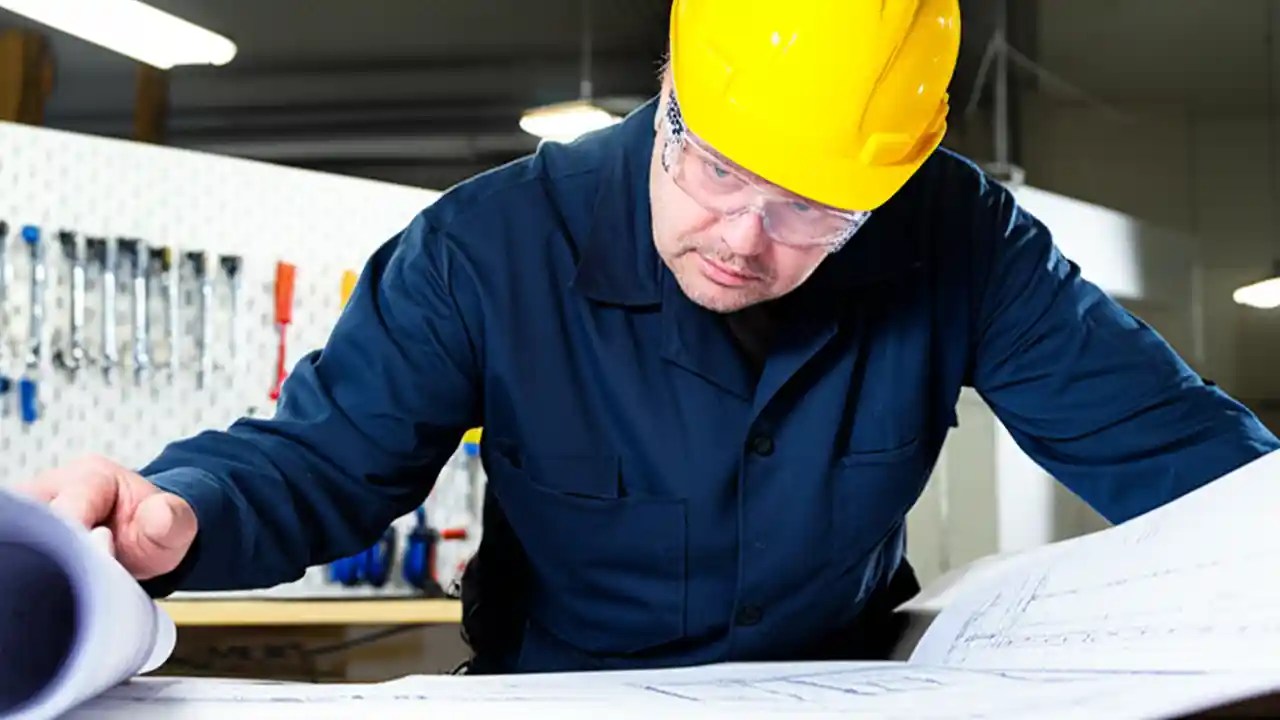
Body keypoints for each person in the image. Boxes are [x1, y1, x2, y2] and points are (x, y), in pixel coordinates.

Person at [18, 0, 1279, 674]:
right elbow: (324, 462)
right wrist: (176, 510)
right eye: (718, 171)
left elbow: (1184, 460)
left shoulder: (965, 240)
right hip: (560, 697)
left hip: (841, 691)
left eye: (813, 213)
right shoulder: (487, 248)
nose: (743, 237)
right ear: (669, 93)